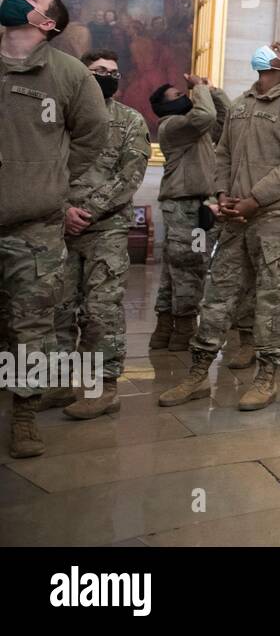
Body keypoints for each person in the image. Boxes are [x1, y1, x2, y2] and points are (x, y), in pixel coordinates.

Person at [157, 39, 280, 412]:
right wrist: (222, 193)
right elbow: (223, 152)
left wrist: (254, 199)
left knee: (271, 300)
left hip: (275, 219)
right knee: (218, 296)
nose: (265, 48)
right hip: (234, 215)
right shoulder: (242, 104)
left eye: (275, 47)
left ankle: (265, 377)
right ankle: (198, 372)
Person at [1, 0, 108, 457]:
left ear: (48, 23)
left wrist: (51, 179)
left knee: (30, 328)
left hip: (33, 226)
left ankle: (23, 414)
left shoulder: (68, 74)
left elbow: (92, 135)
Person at [49, 50, 150, 419]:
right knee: (58, 309)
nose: (107, 75)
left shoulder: (128, 121)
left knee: (100, 310)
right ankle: (59, 384)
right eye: (98, 71)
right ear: (81, 75)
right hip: (58, 226)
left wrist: (86, 212)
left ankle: (102, 389)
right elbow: (44, 168)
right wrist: (63, 211)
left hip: (105, 230)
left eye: (113, 71)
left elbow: (130, 176)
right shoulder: (62, 116)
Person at [148, 74, 230, 352]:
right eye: (178, 95)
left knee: (175, 269)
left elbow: (223, 121)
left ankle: (164, 328)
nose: (185, 96)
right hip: (184, 207)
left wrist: (213, 90)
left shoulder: (193, 129)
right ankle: (183, 329)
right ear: (164, 107)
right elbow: (205, 116)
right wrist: (199, 88)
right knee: (190, 267)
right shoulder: (172, 125)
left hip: (193, 206)